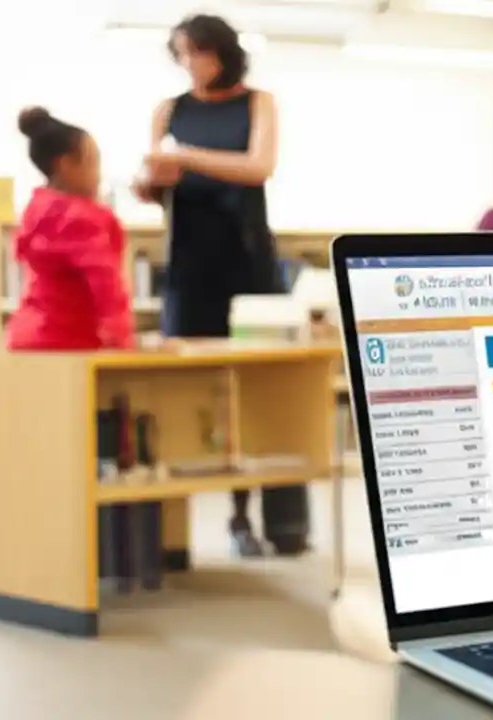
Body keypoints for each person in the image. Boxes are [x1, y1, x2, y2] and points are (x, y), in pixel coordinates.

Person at [135, 14, 306, 558]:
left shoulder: (259, 103)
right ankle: (192, 533)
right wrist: (148, 181)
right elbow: (156, 185)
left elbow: (259, 167)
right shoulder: (169, 110)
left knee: (268, 390)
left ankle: (285, 526)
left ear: (222, 52)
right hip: (189, 264)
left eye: (199, 52)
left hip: (247, 262)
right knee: (182, 392)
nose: (191, 63)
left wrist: (183, 156)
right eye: (182, 53)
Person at [8, 107, 133, 352]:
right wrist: (122, 339)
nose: (99, 175)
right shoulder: (81, 219)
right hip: (68, 337)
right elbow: (105, 283)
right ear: (65, 165)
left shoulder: (35, 210)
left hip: (28, 334)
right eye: (93, 163)